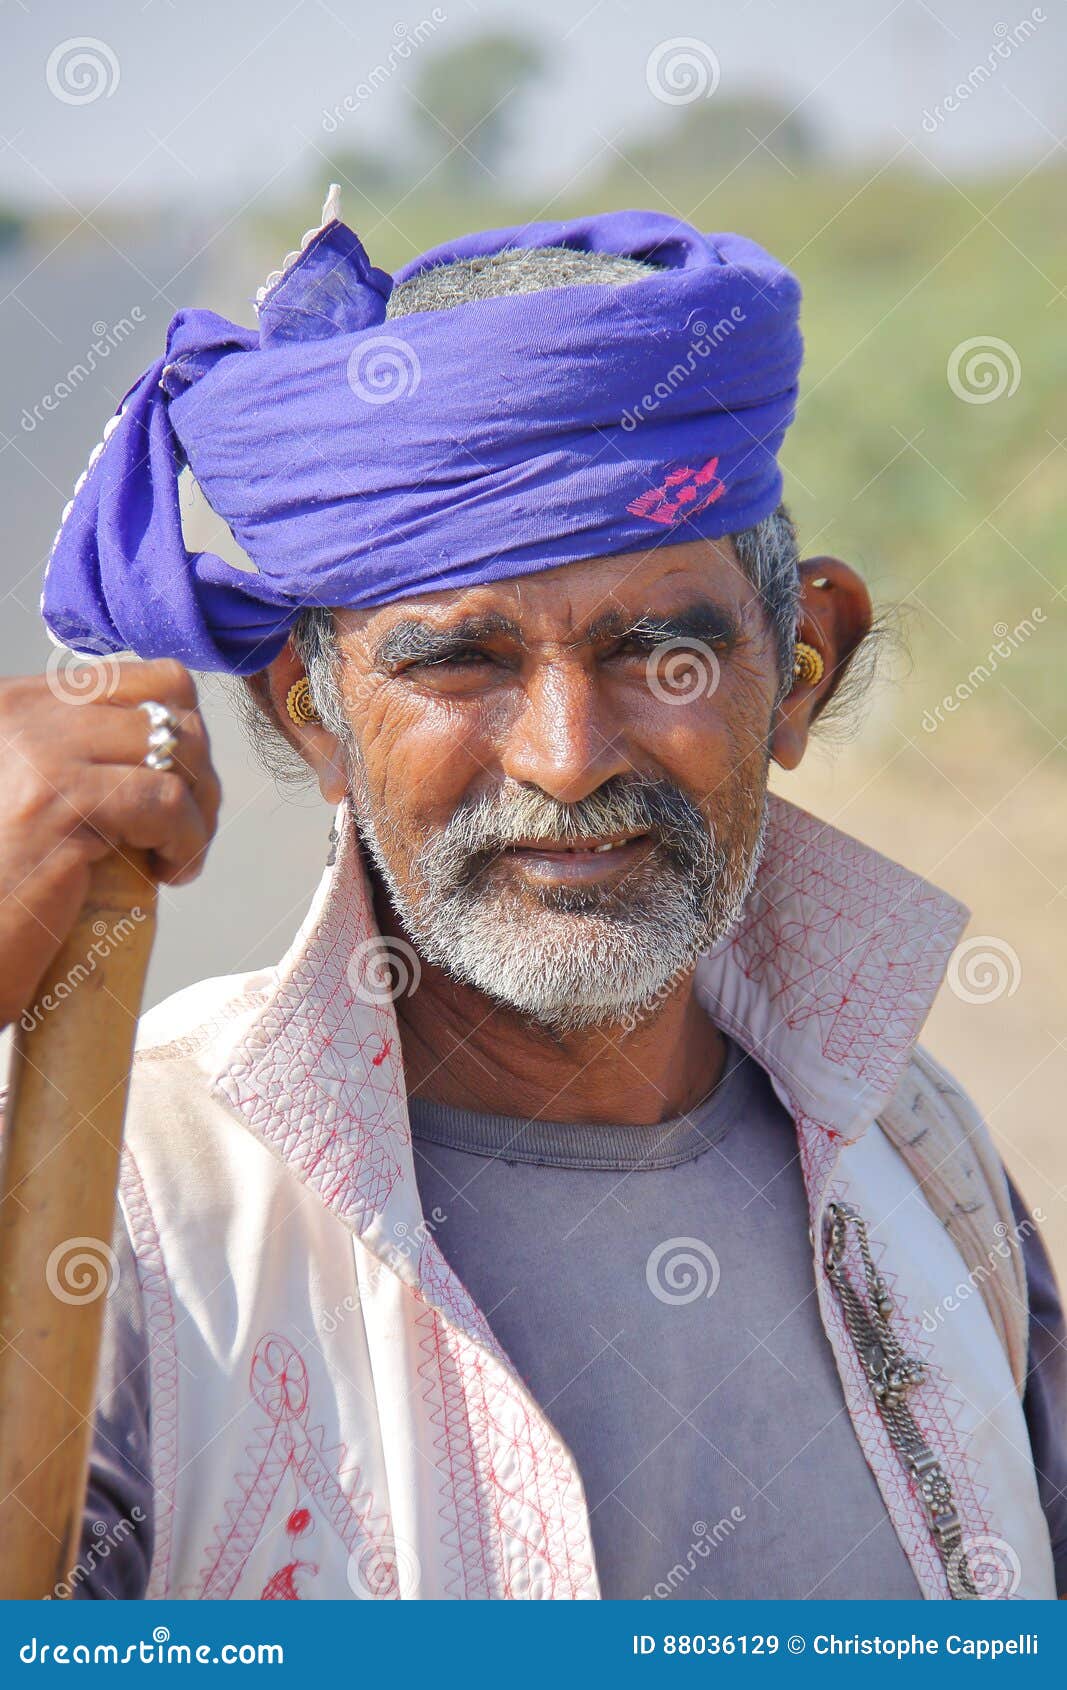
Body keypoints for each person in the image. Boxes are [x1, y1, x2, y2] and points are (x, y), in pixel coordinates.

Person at [3, 195, 1063, 1600]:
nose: (567, 761)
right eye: (460, 663)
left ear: (799, 664)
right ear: (313, 713)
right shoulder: (135, 1221)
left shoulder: (921, 1162)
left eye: (658, 653)